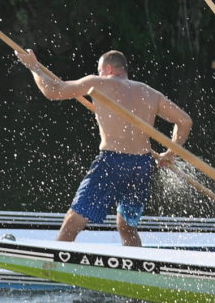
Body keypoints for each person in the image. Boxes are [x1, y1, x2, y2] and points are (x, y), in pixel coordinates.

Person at [13, 48, 192, 246]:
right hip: (142, 165)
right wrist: (171, 152)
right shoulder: (150, 92)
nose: (98, 74)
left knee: (73, 221)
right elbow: (184, 121)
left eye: (99, 70)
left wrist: (34, 66)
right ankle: (134, 271)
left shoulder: (98, 83)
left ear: (107, 68)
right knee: (127, 227)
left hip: (112, 162)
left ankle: (54, 268)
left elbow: (53, 91)